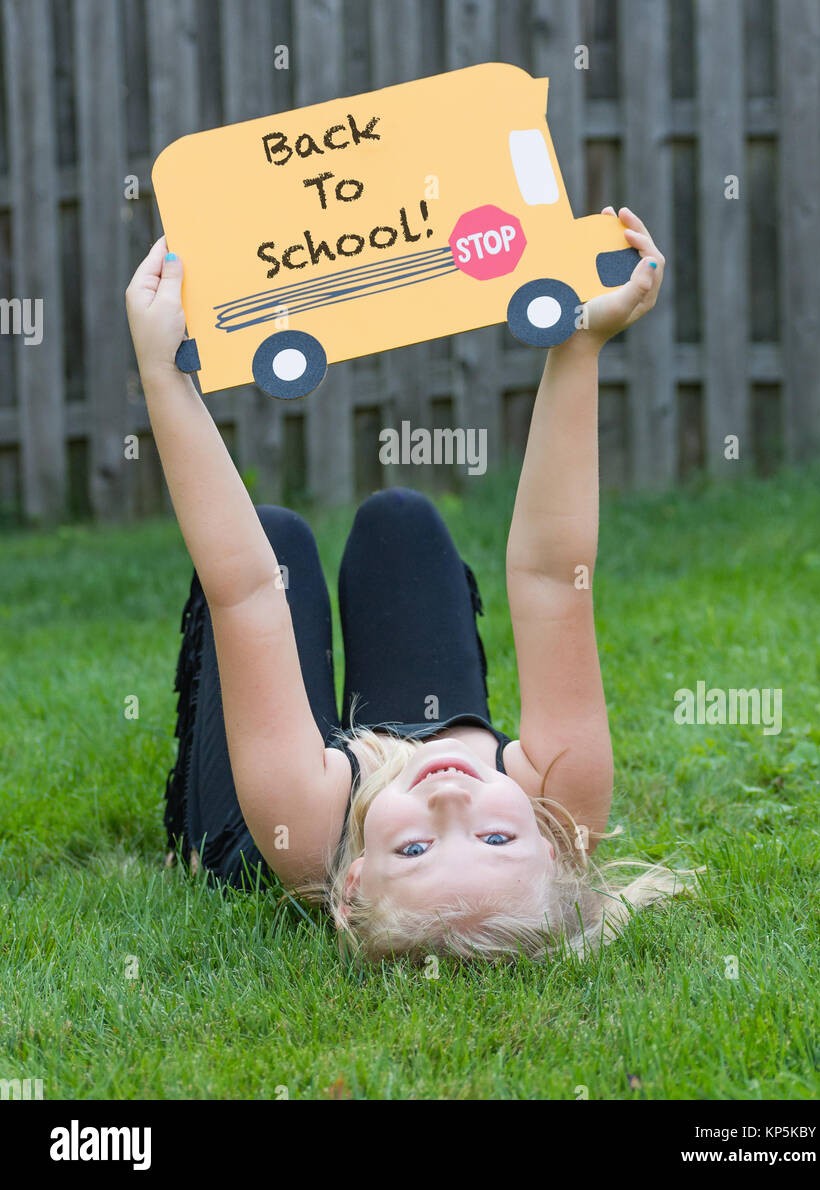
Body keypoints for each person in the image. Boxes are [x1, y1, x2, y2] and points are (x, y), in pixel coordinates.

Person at [126, 205, 697, 963]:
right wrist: (582, 340)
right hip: (384, 765)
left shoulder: (309, 833)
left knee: (276, 541)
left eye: (417, 852)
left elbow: (247, 592)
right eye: (496, 836)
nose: (451, 798)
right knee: (401, 522)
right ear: (555, 847)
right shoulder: (566, 799)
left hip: (285, 810)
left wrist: (164, 376)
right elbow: (554, 578)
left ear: (355, 885)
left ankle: (197, 841)